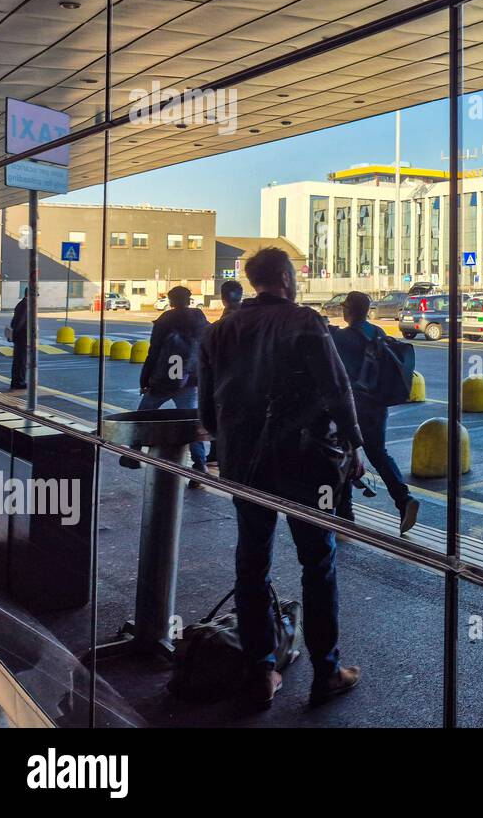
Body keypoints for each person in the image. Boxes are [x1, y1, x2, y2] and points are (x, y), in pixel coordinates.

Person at [198, 247, 363, 709]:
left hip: (242, 466)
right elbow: (336, 388)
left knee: (252, 565)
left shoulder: (219, 331)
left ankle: (260, 673)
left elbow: (207, 409)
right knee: (318, 563)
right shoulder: (305, 322)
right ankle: (325, 673)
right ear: (287, 278)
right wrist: (354, 445)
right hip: (303, 464)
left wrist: (227, 444)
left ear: (253, 281)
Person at [327, 291, 419, 534]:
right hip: (377, 404)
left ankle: (345, 513)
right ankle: (404, 499)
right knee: (378, 453)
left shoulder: (341, 338)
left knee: (344, 453)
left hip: (353, 405)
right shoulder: (378, 333)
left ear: (348, 310)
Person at [138, 286, 210, 479]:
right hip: (189, 380)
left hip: (163, 381)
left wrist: (144, 380)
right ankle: (200, 466)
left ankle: (134, 453)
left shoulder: (165, 320)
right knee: (191, 424)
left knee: (143, 414)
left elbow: (153, 353)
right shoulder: (199, 318)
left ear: (170, 301)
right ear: (189, 299)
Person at [7, 289, 28, 391]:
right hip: (22, 338)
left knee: (19, 361)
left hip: (20, 337)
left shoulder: (22, 304)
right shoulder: (25, 305)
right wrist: (15, 336)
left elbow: (14, 321)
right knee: (21, 361)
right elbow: (19, 322)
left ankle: (16, 381)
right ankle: (19, 382)